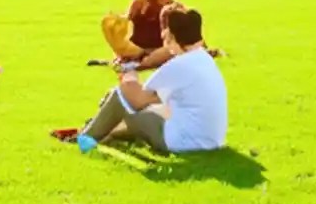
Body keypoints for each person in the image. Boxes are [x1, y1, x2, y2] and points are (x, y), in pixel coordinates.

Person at [54, 9, 228, 154]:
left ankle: (86, 138)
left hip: (183, 142)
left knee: (119, 96)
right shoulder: (203, 59)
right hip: (210, 140)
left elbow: (137, 100)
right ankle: (107, 135)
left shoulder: (179, 65)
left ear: (173, 36)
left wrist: (128, 73)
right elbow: (157, 99)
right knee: (143, 110)